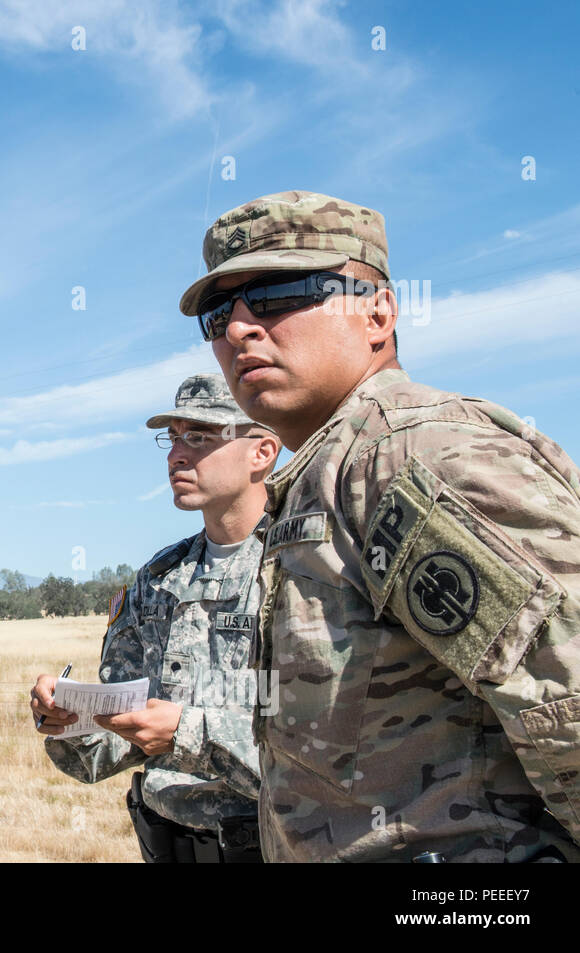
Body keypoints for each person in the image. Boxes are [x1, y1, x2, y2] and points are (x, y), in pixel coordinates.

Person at [182, 190, 580, 862]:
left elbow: (568, 708)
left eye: (280, 295)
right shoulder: (325, 472)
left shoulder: (413, 457)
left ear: (378, 312)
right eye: (220, 314)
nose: (240, 329)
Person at [30, 373, 280, 862]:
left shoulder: (305, 568)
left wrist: (185, 731)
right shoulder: (158, 578)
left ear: (262, 452)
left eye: (201, 437)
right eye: (174, 437)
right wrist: (68, 719)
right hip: (167, 845)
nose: (176, 455)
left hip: (272, 847)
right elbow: (108, 746)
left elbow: (332, 756)